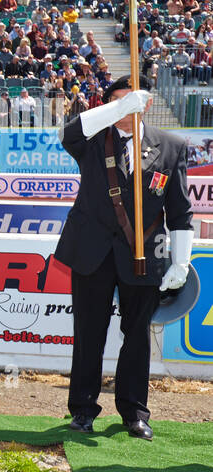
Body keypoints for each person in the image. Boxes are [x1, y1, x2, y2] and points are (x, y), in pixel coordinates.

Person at [54, 76, 193, 440]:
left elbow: (180, 212)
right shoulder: (93, 140)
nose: (125, 106)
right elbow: (68, 132)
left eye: (132, 100)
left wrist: (180, 262)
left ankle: (134, 411)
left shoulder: (171, 146)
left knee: (137, 337)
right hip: (92, 252)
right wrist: (118, 109)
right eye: (117, 100)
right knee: (89, 333)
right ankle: (83, 410)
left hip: (143, 254)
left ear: (147, 104)